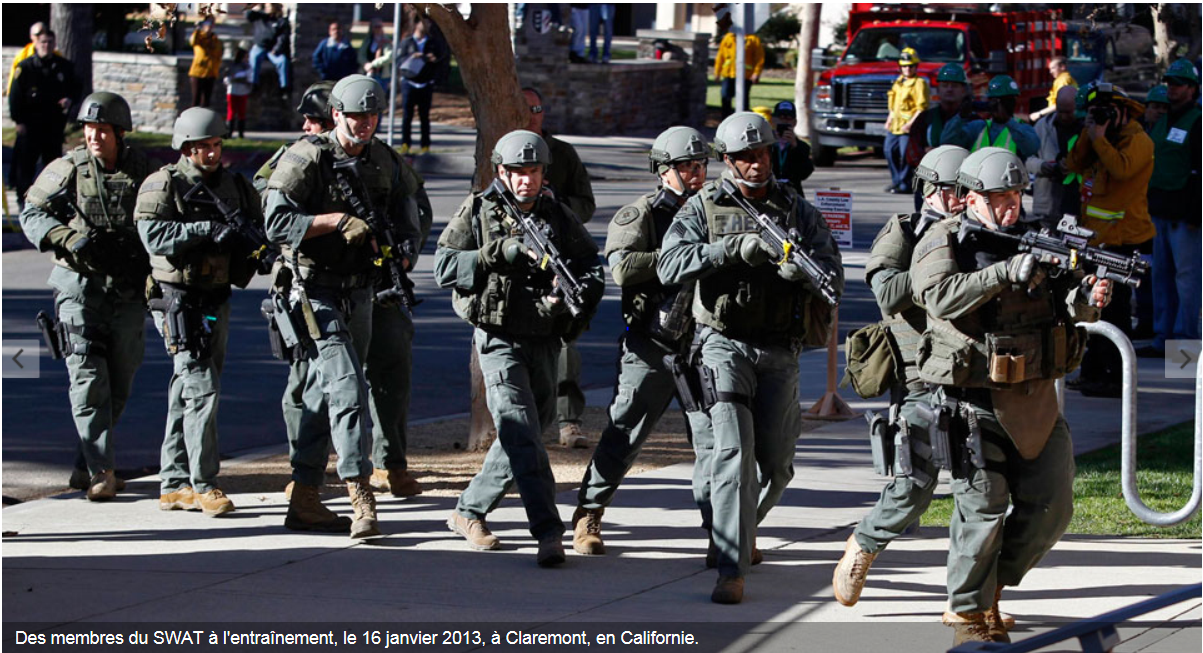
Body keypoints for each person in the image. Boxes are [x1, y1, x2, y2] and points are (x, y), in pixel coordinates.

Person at [910, 147, 1111, 645]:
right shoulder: (944, 239)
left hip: (1035, 397)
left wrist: (1087, 298)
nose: (1010, 208)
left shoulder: (1033, 238)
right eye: (998, 198)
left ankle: (991, 590)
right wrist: (1004, 271)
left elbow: (1070, 308)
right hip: (972, 400)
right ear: (971, 198)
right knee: (981, 514)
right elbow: (937, 296)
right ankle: (968, 619)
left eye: (1015, 196)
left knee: (1054, 507)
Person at [658, 111, 844, 604]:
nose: (755, 163)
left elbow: (833, 275)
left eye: (761, 153)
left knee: (779, 465)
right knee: (733, 455)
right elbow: (669, 263)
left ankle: (737, 528)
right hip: (722, 342)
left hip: (781, 348)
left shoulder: (795, 208)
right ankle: (731, 563)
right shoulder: (705, 205)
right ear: (727, 160)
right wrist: (732, 249)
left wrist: (797, 273)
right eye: (743, 156)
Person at [435, 130, 605, 565]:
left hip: (544, 337)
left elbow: (590, 265)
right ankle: (547, 531)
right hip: (497, 338)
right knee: (520, 429)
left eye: (533, 171)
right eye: (516, 172)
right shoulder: (478, 210)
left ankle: (468, 510)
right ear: (501, 172)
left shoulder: (557, 214)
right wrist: (495, 253)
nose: (525, 181)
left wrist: (575, 293)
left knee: (530, 427)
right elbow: (444, 266)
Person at [264, 75, 423, 537]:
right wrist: (334, 222)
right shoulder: (307, 157)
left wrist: (404, 251)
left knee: (319, 394)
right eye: (355, 116)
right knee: (348, 388)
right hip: (314, 291)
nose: (364, 124)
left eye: (372, 116)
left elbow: (409, 211)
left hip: (363, 292)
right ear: (336, 115)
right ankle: (361, 496)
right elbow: (275, 221)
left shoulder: (385, 160)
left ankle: (305, 495)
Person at [832, 145, 969, 608]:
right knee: (916, 484)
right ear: (931, 191)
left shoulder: (977, 233)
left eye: (969, 192)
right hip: (919, 376)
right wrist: (934, 261)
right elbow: (887, 293)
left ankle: (973, 599)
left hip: (972, 370)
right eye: (955, 192)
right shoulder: (907, 232)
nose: (962, 200)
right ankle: (865, 544)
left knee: (982, 488)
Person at [571, 126, 712, 555]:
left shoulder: (716, 210)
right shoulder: (642, 215)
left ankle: (724, 532)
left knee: (713, 443)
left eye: (700, 165)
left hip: (702, 344)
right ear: (662, 170)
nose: (695, 174)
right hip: (651, 344)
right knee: (624, 432)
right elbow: (624, 268)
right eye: (685, 166)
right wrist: (681, 258)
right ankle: (589, 515)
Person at [19, 92, 153, 501]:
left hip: (128, 291)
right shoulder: (69, 168)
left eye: (104, 129)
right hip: (80, 288)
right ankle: (101, 470)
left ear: (120, 132)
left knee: (120, 380)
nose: (95, 135)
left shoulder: (142, 170)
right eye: (89, 128)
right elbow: (32, 212)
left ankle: (88, 462)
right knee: (88, 380)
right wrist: (69, 237)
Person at [135, 108, 264, 517]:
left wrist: (254, 249)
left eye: (216, 145)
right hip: (177, 299)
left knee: (186, 389)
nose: (211, 153)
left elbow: (257, 230)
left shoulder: (235, 186)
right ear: (185, 148)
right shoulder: (163, 183)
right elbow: (153, 235)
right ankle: (204, 483)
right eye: (202, 147)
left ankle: (173, 483)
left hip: (215, 297)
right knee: (202, 387)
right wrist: (202, 230)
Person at [1064, 82, 1155, 397]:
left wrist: (1100, 138)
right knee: (1091, 305)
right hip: (1092, 239)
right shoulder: (1097, 138)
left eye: (1106, 112)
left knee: (1114, 312)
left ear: (1124, 112)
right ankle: (1092, 372)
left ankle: (1116, 379)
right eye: (1095, 112)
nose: (1100, 117)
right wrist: (1090, 133)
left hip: (1120, 240)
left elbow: (1121, 170)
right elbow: (1073, 164)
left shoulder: (1138, 141)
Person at [519, 88, 597, 448]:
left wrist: (557, 203)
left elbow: (586, 204)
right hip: (516, 262)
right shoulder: (502, 150)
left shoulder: (562, 154)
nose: (529, 115)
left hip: (557, 259)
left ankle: (569, 422)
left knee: (564, 345)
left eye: (535, 108)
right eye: (522, 109)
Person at [1139, 60, 1201, 358]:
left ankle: (1185, 347)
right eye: (1170, 83)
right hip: (1159, 211)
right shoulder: (1162, 122)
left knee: (1186, 280)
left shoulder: (1197, 121)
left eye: (1178, 84)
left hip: (1185, 216)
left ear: (1192, 89)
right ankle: (1162, 340)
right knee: (1161, 277)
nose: (1172, 88)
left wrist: (1195, 214)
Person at [8, 28, 78, 212]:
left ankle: (52, 201)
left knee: (53, 166)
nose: (46, 46)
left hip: (53, 125)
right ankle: (23, 200)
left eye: (49, 42)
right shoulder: (25, 67)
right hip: (30, 125)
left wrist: (70, 100)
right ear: (36, 44)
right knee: (26, 166)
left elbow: (76, 87)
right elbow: (15, 97)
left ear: (55, 44)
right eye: (43, 42)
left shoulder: (64, 66)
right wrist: (19, 121)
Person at [906, 63, 971, 208]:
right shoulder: (924, 119)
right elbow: (911, 153)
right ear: (938, 90)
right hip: (930, 186)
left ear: (964, 90)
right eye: (945, 85)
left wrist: (935, 152)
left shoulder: (974, 121)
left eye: (954, 85)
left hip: (964, 188)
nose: (949, 89)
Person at [941, 75, 1039, 161]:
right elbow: (946, 141)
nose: (998, 105)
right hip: (976, 180)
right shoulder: (977, 128)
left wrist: (1008, 121)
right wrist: (960, 117)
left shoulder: (1022, 128)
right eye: (994, 101)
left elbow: (1032, 148)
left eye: (1005, 101)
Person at [1025, 86, 1082, 227]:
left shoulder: (1087, 129)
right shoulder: (1042, 126)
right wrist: (1043, 166)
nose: (1063, 116)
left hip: (1079, 205)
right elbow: (1027, 159)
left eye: (1068, 112)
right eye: (1060, 111)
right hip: (1048, 207)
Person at [398, 17, 449, 155]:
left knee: (424, 116)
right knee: (407, 116)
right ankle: (405, 144)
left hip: (426, 83)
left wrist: (432, 59)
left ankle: (425, 146)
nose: (425, 25)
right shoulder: (407, 42)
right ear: (416, 24)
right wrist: (412, 56)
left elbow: (441, 59)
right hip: (409, 82)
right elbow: (399, 60)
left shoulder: (432, 43)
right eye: (423, 22)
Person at [884, 48, 929, 194]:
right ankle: (896, 181)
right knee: (889, 151)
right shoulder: (898, 82)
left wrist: (911, 124)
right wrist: (889, 119)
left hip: (908, 126)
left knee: (906, 155)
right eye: (904, 66)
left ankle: (905, 183)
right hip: (895, 125)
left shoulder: (919, 83)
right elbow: (893, 105)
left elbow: (921, 107)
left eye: (910, 66)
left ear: (916, 67)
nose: (907, 69)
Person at [713, 4, 764, 118]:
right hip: (728, 74)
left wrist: (756, 73)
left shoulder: (752, 39)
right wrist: (717, 73)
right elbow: (720, 56)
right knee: (725, 97)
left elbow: (759, 58)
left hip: (745, 76)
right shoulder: (728, 38)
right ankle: (725, 120)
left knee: (743, 100)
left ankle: (743, 120)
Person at [769, 101, 814, 196]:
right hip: (770, 192)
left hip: (793, 193)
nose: (784, 121)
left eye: (788, 119)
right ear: (773, 119)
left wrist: (795, 147)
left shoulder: (802, 147)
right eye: (781, 118)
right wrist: (771, 143)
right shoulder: (764, 144)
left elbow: (805, 173)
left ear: (794, 122)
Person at [246, 3, 291, 96]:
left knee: (283, 61)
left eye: (269, 6)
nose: (267, 8)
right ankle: (254, 84)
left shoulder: (281, 21)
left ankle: (284, 87)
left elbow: (282, 37)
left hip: (272, 50)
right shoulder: (260, 16)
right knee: (254, 58)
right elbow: (248, 15)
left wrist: (277, 49)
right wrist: (255, 8)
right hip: (260, 47)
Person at [6, 22, 58, 96]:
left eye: (44, 33)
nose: (41, 37)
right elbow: (13, 83)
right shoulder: (22, 56)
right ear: (31, 37)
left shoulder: (57, 55)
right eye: (37, 35)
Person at [1029, 56, 1078, 122]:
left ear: (1062, 67)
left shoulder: (1063, 80)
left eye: (1053, 68)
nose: (1050, 72)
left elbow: (1061, 104)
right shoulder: (1064, 78)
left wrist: (1039, 114)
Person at [188, 17, 222, 108]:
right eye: (208, 23)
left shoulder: (215, 39)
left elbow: (218, 54)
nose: (210, 25)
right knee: (196, 99)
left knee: (206, 101)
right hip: (197, 72)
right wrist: (198, 29)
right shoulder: (198, 37)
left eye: (212, 23)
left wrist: (216, 69)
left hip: (210, 73)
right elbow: (192, 41)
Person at [359, 18, 394, 95]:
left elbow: (389, 57)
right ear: (372, 28)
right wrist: (366, 64)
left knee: (379, 99)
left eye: (380, 26)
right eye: (376, 26)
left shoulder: (386, 40)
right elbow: (361, 55)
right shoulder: (368, 40)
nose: (378, 28)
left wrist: (373, 64)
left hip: (382, 76)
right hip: (368, 73)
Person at [224, 48, 253, 139]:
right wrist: (235, 79)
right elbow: (227, 79)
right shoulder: (232, 66)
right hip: (232, 91)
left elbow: (249, 78)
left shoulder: (247, 67)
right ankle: (229, 132)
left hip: (242, 91)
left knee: (241, 112)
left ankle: (241, 133)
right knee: (231, 112)